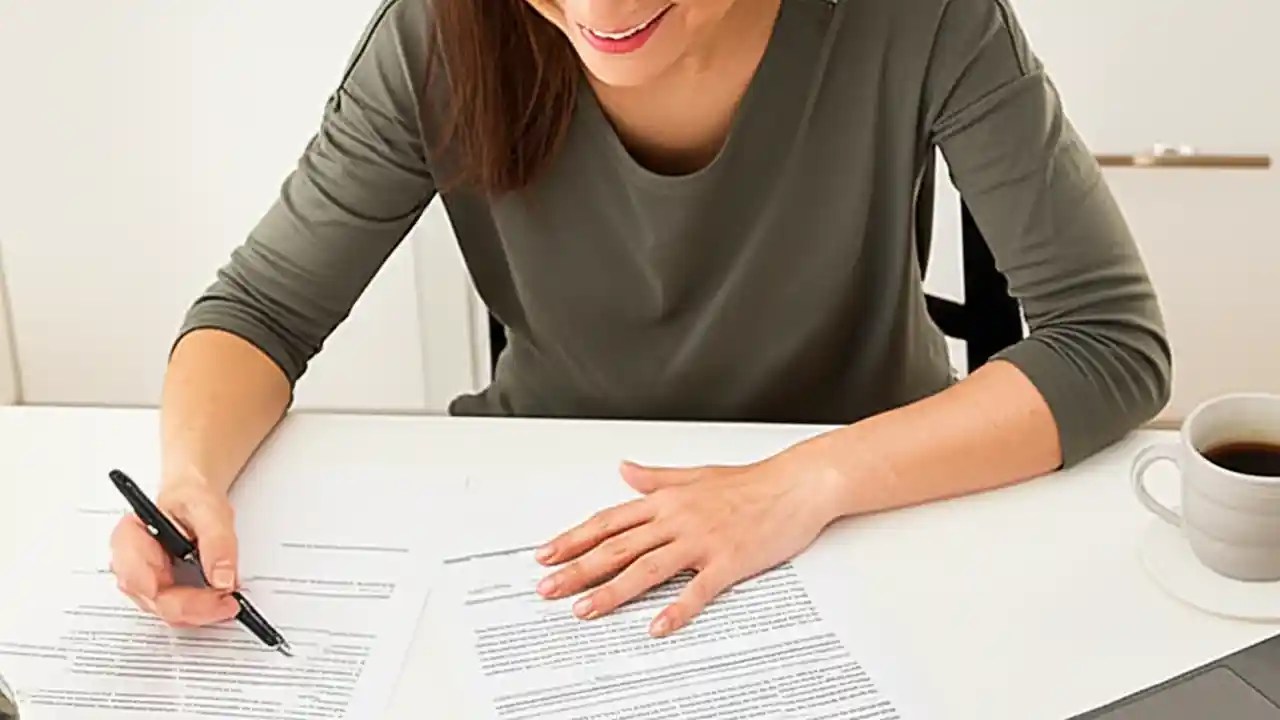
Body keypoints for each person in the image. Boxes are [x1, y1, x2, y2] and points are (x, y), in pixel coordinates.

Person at [110, 0, 1171, 639]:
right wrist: (191, 478)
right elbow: (259, 309)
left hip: (871, 504)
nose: (598, 6)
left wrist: (803, 482)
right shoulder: (437, 35)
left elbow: (1108, 343)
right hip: (547, 523)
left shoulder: (917, 17)